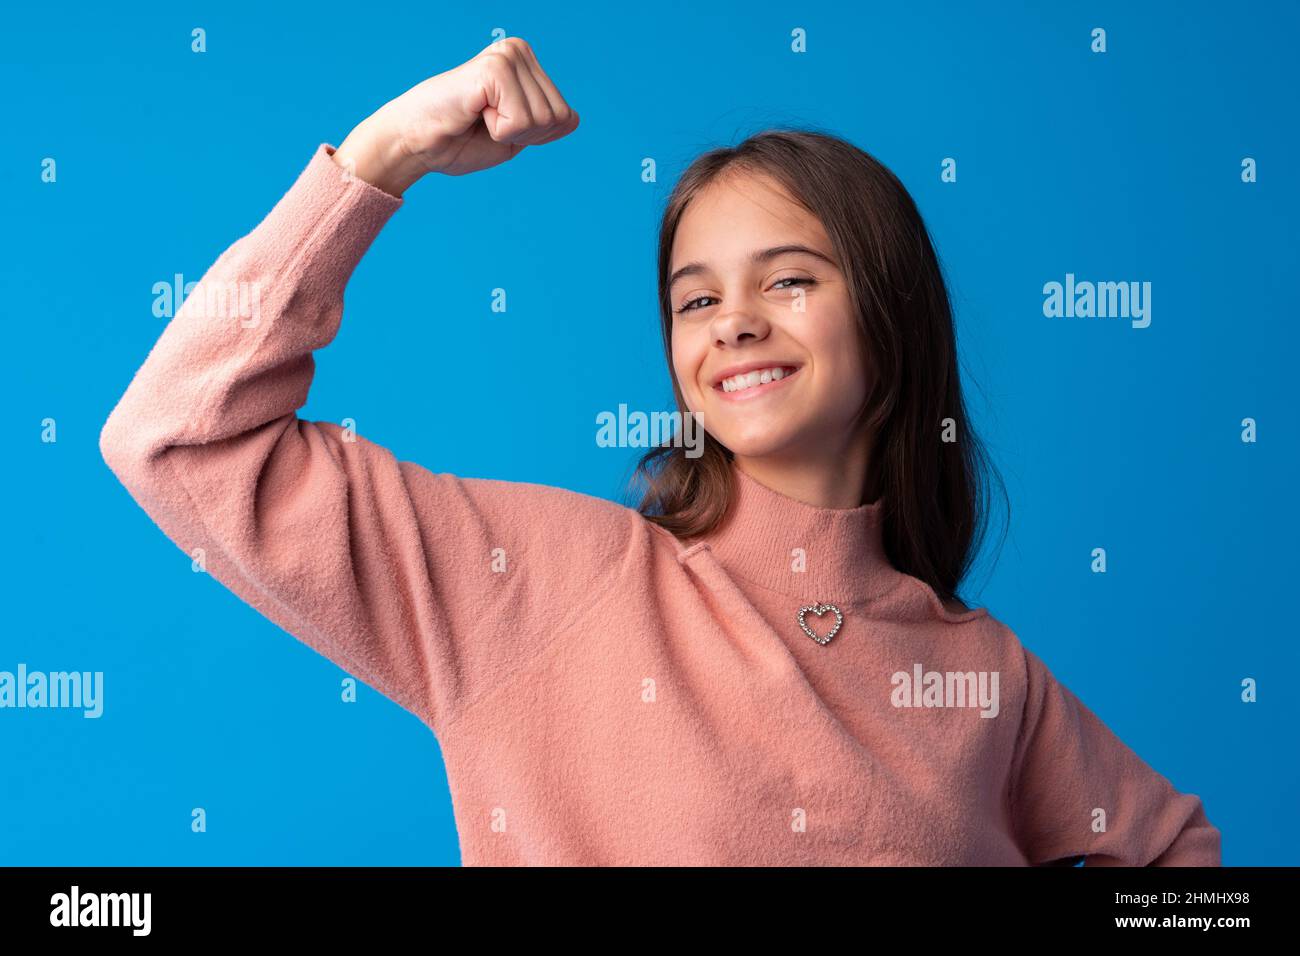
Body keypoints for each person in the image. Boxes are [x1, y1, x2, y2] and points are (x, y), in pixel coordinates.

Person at [99, 36, 1221, 866]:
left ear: (891, 316)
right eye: (694, 298)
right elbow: (179, 436)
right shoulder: (537, 581)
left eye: (788, 278)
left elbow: (1185, 866)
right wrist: (381, 158)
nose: (732, 321)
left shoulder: (985, 675)